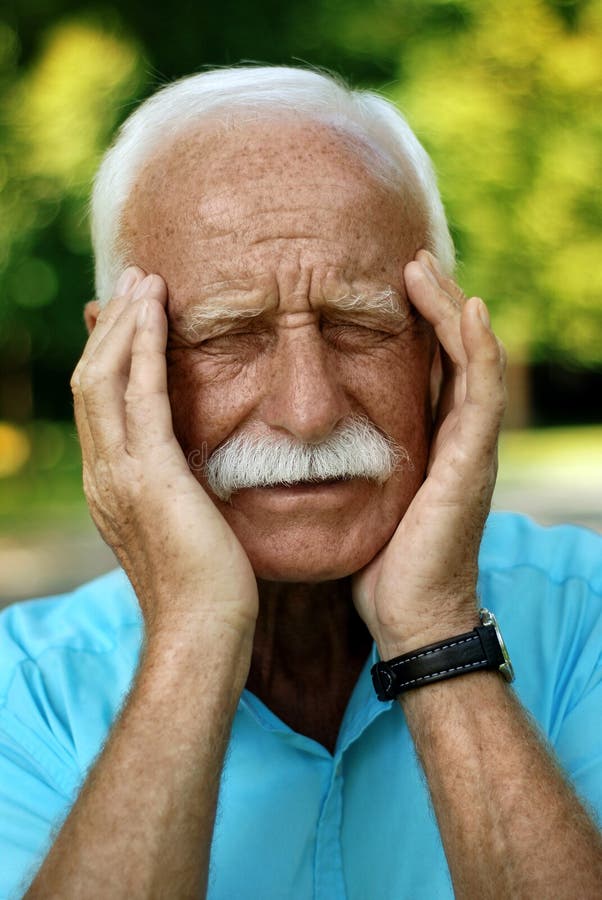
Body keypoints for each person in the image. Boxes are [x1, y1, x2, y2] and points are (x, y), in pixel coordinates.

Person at [0, 65, 601, 899]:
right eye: (228, 335)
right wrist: (195, 634)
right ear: (113, 369)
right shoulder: (21, 691)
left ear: (441, 350)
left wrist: (435, 632)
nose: (308, 410)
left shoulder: (587, 617)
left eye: (360, 326)